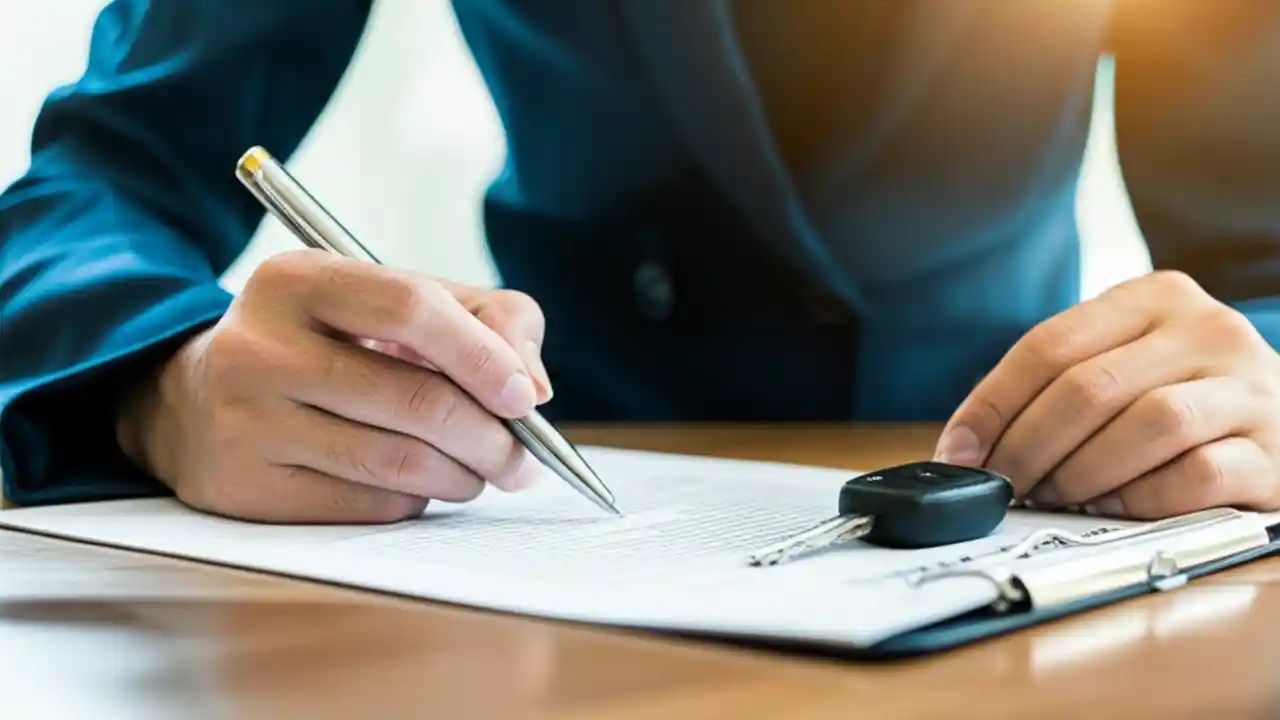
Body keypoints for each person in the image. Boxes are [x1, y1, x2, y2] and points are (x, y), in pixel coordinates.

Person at [3, 1, 1280, 524]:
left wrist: (1255, 380)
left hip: (1031, 493)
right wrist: (160, 378)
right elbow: (105, 175)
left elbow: (1260, 255)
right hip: (542, 507)